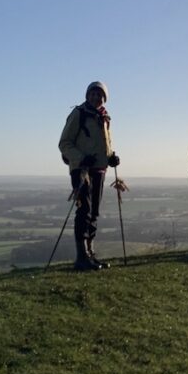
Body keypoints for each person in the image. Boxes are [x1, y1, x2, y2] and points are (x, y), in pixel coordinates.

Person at [58, 81, 120, 271]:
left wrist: (111, 157)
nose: (95, 97)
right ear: (87, 95)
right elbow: (64, 143)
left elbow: (104, 145)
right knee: (84, 210)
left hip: (100, 169)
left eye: (99, 95)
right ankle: (81, 257)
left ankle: (90, 255)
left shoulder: (104, 118)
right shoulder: (79, 113)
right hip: (81, 170)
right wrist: (81, 159)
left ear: (104, 98)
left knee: (93, 212)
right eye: (92, 93)